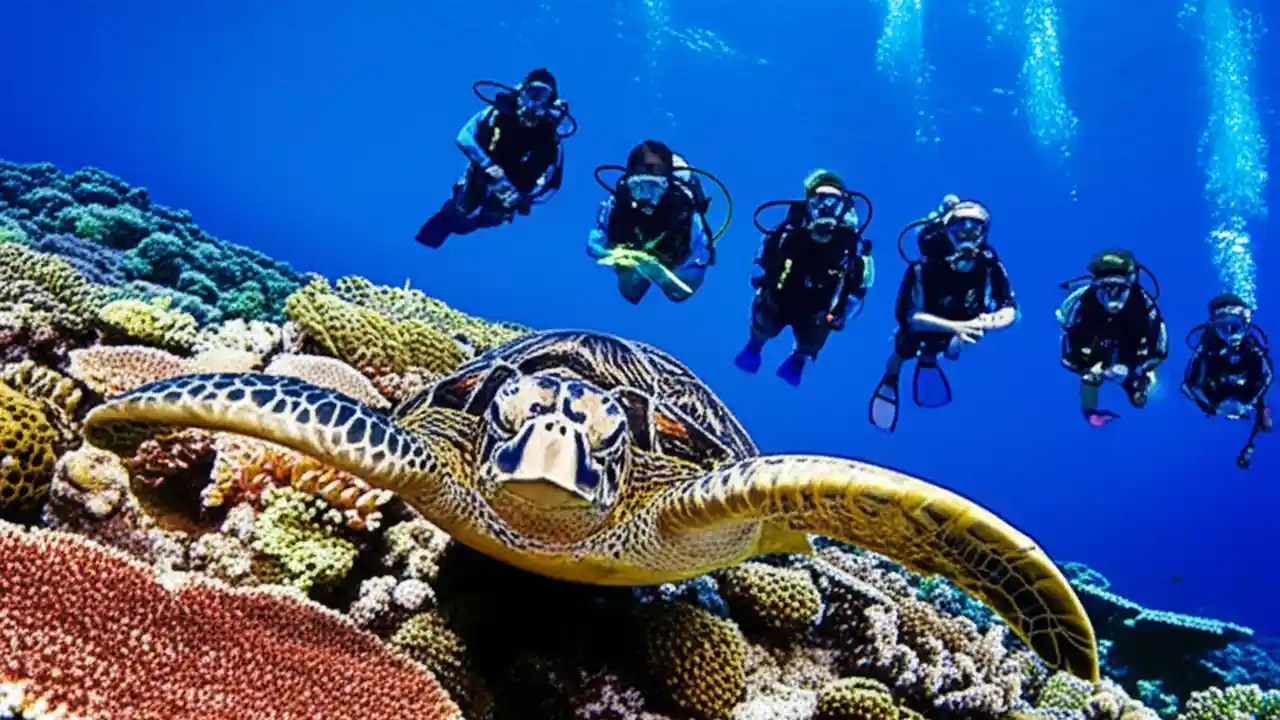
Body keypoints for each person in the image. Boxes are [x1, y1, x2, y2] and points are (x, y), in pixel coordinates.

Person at [867, 195, 1018, 433]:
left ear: (984, 232)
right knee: (904, 347)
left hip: (961, 327)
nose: (967, 235)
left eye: (975, 228)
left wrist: (989, 322)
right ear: (947, 232)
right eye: (959, 228)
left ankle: (932, 356)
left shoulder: (990, 266)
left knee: (947, 346)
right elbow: (911, 318)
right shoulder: (924, 268)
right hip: (924, 328)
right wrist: (957, 327)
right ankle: (891, 375)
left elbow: (1009, 308)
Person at [733, 170, 874, 386]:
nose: (825, 206)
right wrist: (762, 279)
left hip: (817, 309)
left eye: (832, 200)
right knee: (765, 320)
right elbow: (764, 257)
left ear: (843, 205)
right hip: (781, 296)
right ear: (809, 202)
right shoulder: (789, 230)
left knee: (813, 336)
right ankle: (755, 345)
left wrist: (843, 315)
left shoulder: (851, 245)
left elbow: (860, 285)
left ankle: (798, 359)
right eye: (819, 199)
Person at [415, 69, 575, 249]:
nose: (536, 104)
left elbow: (553, 183)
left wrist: (523, 197)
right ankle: (443, 224)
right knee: (462, 209)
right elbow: (464, 136)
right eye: (534, 94)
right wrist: (488, 166)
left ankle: (470, 218)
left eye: (545, 98)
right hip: (482, 174)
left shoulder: (550, 137)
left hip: (510, 192)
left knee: (488, 216)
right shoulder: (497, 113)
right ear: (522, 92)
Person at [586, 140, 721, 304]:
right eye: (639, 187)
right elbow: (594, 241)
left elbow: (692, 278)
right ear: (629, 184)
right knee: (629, 291)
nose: (646, 197)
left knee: (676, 295)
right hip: (633, 253)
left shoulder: (684, 212)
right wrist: (613, 254)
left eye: (654, 187)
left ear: (667, 186)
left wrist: (659, 273)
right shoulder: (617, 206)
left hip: (671, 260)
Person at [1056, 249, 1167, 427]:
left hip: (1132, 358)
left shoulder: (1144, 308)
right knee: (1089, 378)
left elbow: (1159, 351)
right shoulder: (1081, 304)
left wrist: (1133, 372)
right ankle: (1092, 410)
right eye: (1104, 289)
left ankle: (1140, 387)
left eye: (1120, 289)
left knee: (1142, 397)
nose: (1111, 299)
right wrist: (1088, 371)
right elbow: (1068, 355)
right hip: (1094, 357)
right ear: (1095, 286)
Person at [1180, 293, 1273, 468]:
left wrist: (1254, 403)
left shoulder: (1253, 346)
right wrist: (1210, 405)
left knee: (1265, 422)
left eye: (1235, 326)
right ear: (1214, 326)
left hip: (1238, 395)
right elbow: (1189, 384)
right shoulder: (1207, 347)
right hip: (1219, 394)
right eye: (1223, 327)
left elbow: (1266, 376)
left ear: (1245, 324)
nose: (1230, 334)